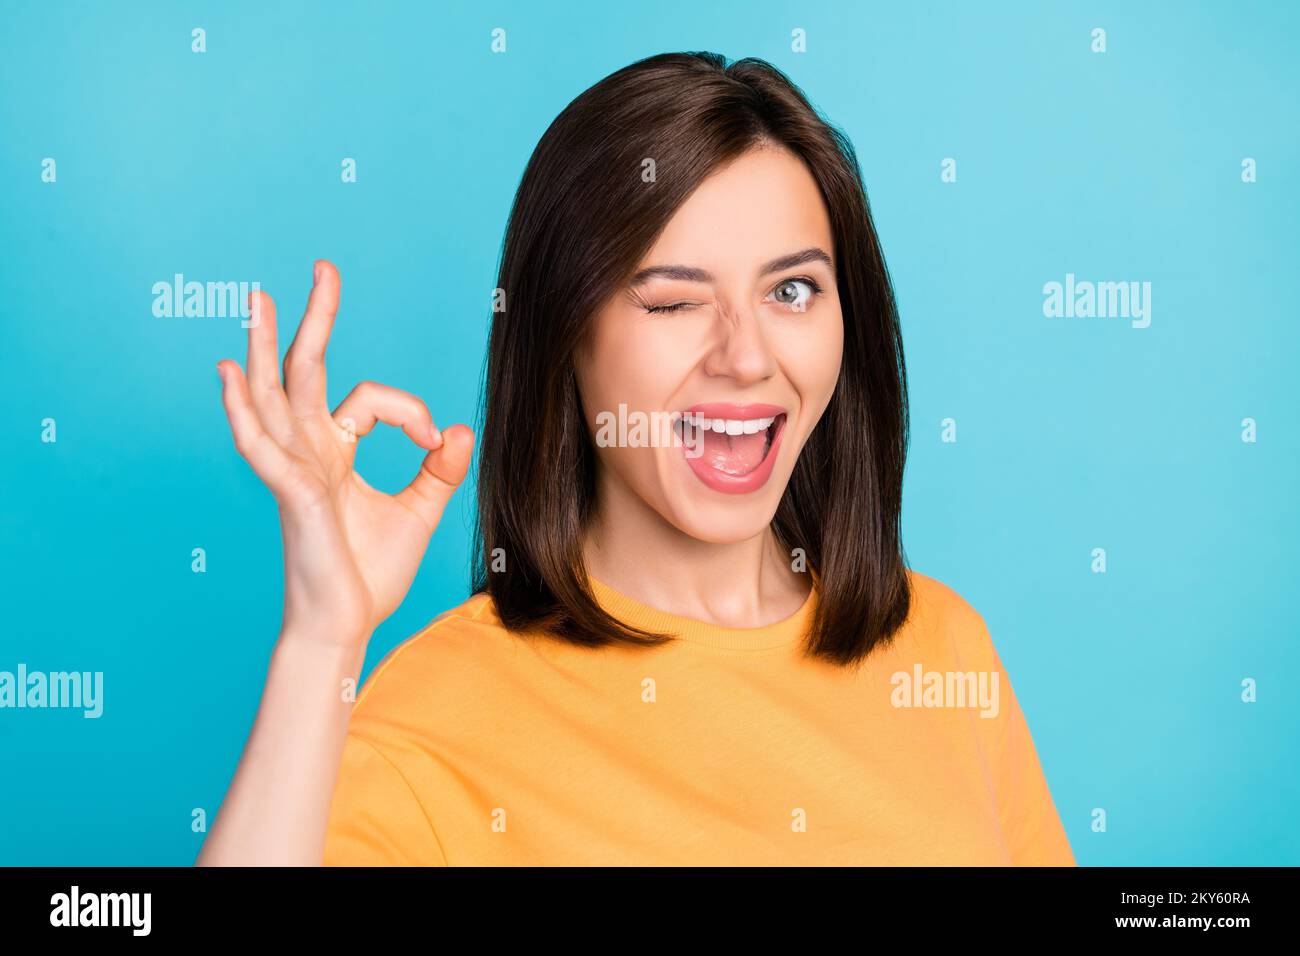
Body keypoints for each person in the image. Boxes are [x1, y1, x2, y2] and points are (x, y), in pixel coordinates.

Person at [196, 51, 1074, 866]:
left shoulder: (946, 651)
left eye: (793, 289)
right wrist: (320, 642)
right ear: (566, 333)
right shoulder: (432, 717)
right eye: (671, 300)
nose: (746, 356)